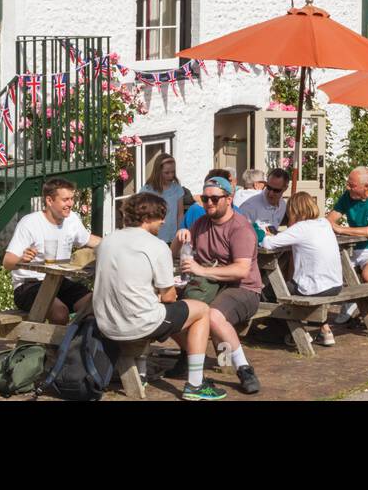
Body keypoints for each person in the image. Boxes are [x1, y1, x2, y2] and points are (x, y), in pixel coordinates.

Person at [93, 193, 225, 400]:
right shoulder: (157, 246)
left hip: (105, 322)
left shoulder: (107, 241)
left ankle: (144, 372)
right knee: (201, 310)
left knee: (170, 312)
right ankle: (195, 384)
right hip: (136, 323)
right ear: (146, 219)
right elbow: (169, 297)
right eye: (160, 216)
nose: (164, 221)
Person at [173, 176, 263, 395]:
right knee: (170, 311)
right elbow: (174, 254)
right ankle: (191, 356)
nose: (209, 203)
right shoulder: (201, 223)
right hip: (208, 286)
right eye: (205, 198)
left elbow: (241, 270)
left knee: (213, 315)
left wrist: (201, 270)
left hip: (243, 289)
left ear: (229, 199)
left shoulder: (240, 228)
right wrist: (178, 238)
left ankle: (243, 368)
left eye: (214, 198)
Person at [3, 178, 101, 324]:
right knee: (60, 313)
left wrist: (117, 242)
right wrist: (21, 260)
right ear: (49, 201)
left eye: (71, 199)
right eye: (65, 200)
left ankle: (79, 343)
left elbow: (90, 240)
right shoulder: (30, 223)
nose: (70, 204)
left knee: (96, 304)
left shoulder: (72, 219)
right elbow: (7, 262)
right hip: (29, 285)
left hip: (60, 281)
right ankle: (55, 347)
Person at [260, 192, 343, 347]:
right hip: (335, 285)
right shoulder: (324, 223)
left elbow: (268, 244)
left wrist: (264, 234)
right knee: (291, 286)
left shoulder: (300, 228)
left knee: (270, 291)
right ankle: (325, 330)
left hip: (315, 286)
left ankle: (294, 332)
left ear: (293, 211)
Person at [327, 167, 368, 330]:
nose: (348, 188)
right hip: (354, 249)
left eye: (352, 185)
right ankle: (351, 302)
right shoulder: (347, 197)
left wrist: (341, 229)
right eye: (348, 184)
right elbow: (329, 220)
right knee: (334, 272)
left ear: (366, 187)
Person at [140, 154, 192, 243]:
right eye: (167, 173)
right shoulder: (147, 190)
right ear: (158, 172)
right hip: (153, 238)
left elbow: (180, 214)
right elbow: (142, 216)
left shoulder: (177, 189)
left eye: (173, 172)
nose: (171, 175)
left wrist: (180, 234)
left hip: (172, 237)